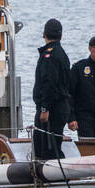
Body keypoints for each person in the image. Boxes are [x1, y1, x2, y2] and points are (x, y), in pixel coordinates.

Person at [32, 18, 72, 160]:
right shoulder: (61, 54)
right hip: (59, 106)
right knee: (48, 146)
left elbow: (49, 84)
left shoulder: (49, 55)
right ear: (61, 36)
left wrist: (45, 108)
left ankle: (55, 178)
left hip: (51, 109)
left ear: (44, 34)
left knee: (48, 150)